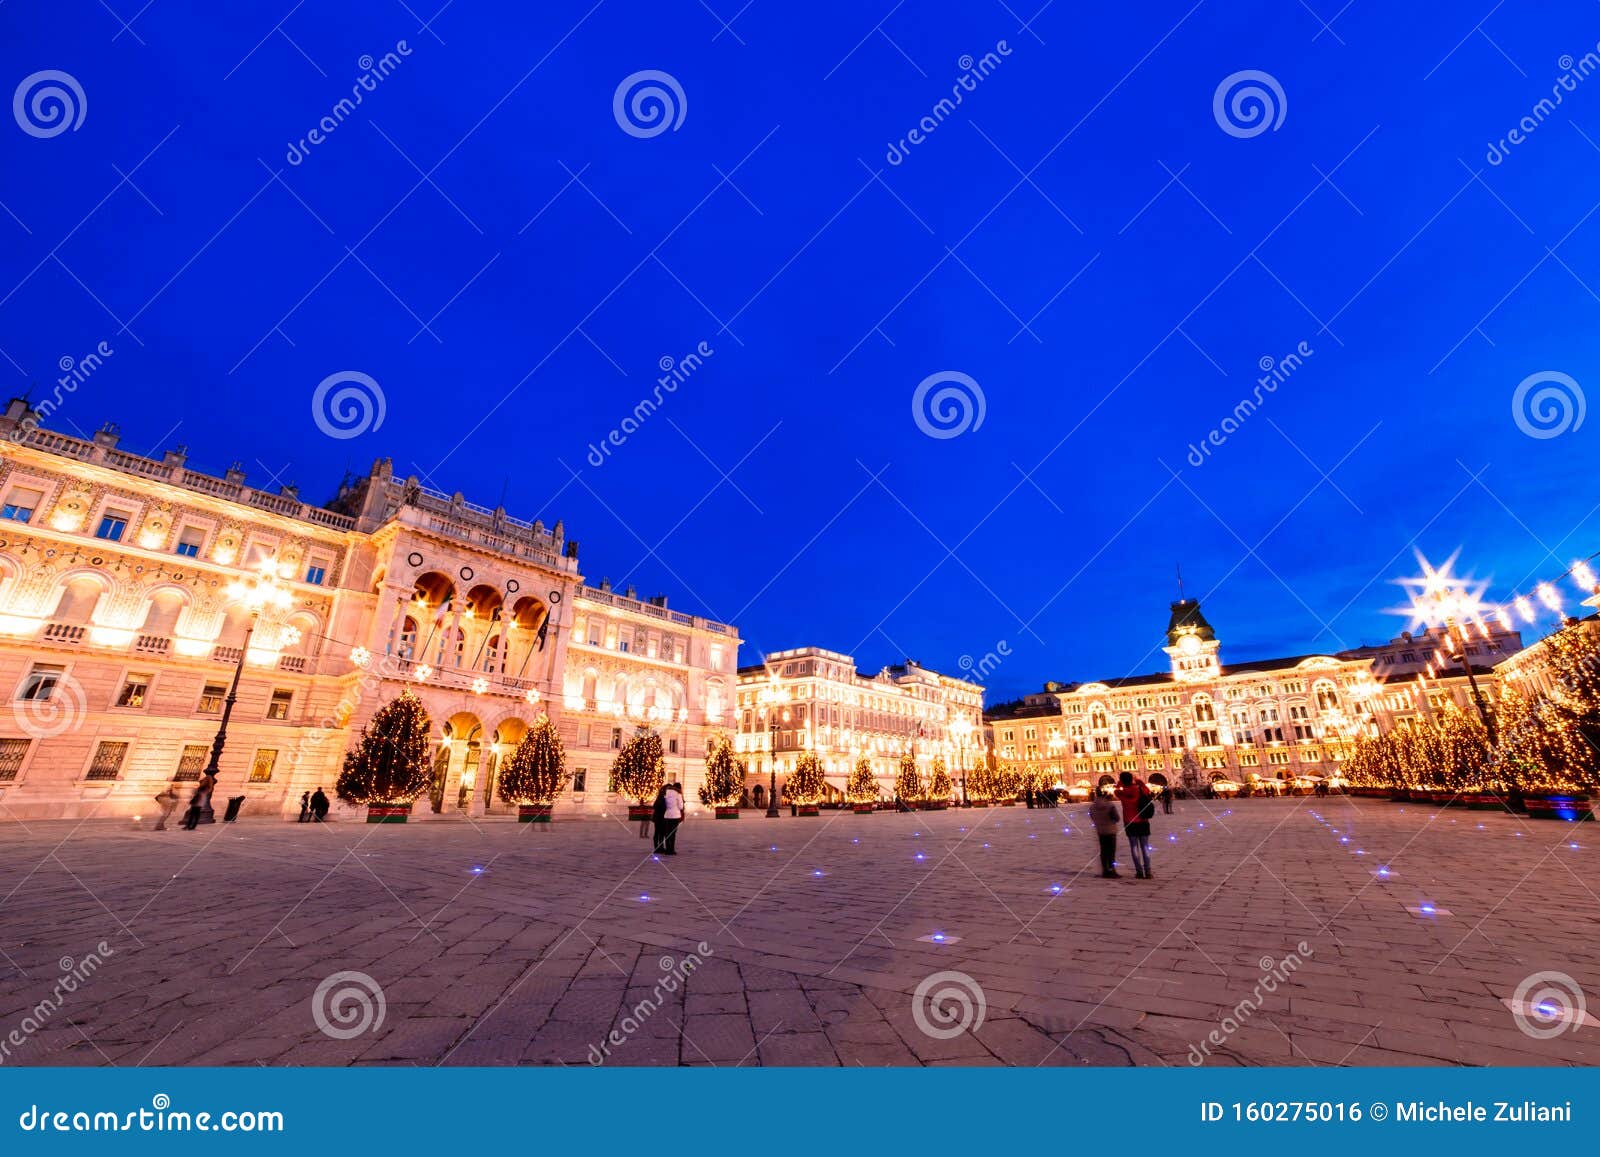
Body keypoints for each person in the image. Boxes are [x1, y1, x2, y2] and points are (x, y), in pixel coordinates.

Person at [1114, 772, 1155, 879]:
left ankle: (1139, 872)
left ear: (1122, 781)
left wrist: (1120, 783)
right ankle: (1148, 871)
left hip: (1129, 822)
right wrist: (1137, 780)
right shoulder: (1140, 790)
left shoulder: (1122, 793)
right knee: (1145, 847)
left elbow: (1116, 790)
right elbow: (1146, 789)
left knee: (1134, 847)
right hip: (1143, 822)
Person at [1088, 789, 1122, 878]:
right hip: (1111, 830)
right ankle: (1112, 870)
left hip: (1100, 831)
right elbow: (1117, 818)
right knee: (1111, 851)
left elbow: (1092, 817)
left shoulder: (1092, 807)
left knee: (1103, 851)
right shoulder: (1110, 805)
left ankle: (1105, 870)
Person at [659, 781, 685, 855]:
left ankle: (667, 849)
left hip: (667, 815)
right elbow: (681, 807)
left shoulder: (666, 793)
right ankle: (672, 849)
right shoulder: (678, 794)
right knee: (673, 833)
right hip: (675, 815)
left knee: (667, 832)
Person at [651, 783, 670, 852]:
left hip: (660, 817)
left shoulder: (662, 796)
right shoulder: (662, 796)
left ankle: (660, 847)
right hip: (659, 818)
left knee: (661, 833)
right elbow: (656, 806)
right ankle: (657, 847)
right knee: (658, 833)